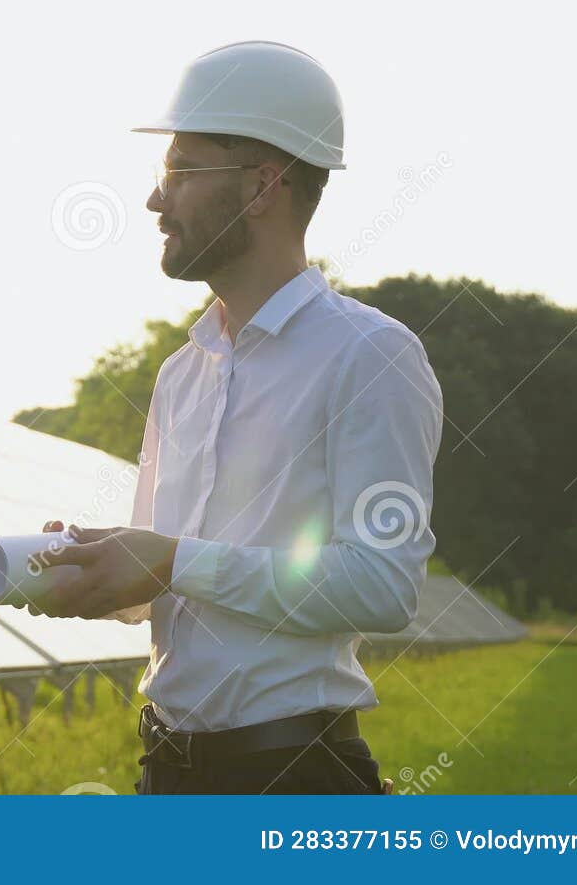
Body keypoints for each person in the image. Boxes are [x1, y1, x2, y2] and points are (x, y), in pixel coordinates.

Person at [34, 41, 444, 794]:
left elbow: (383, 587)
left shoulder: (372, 356)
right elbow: (165, 582)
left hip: (292, 778)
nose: (156, 202)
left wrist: (168, 559)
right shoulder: (180, 372)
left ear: (262, 186)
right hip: (166, 773)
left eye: (182, 172)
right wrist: (95, 574)